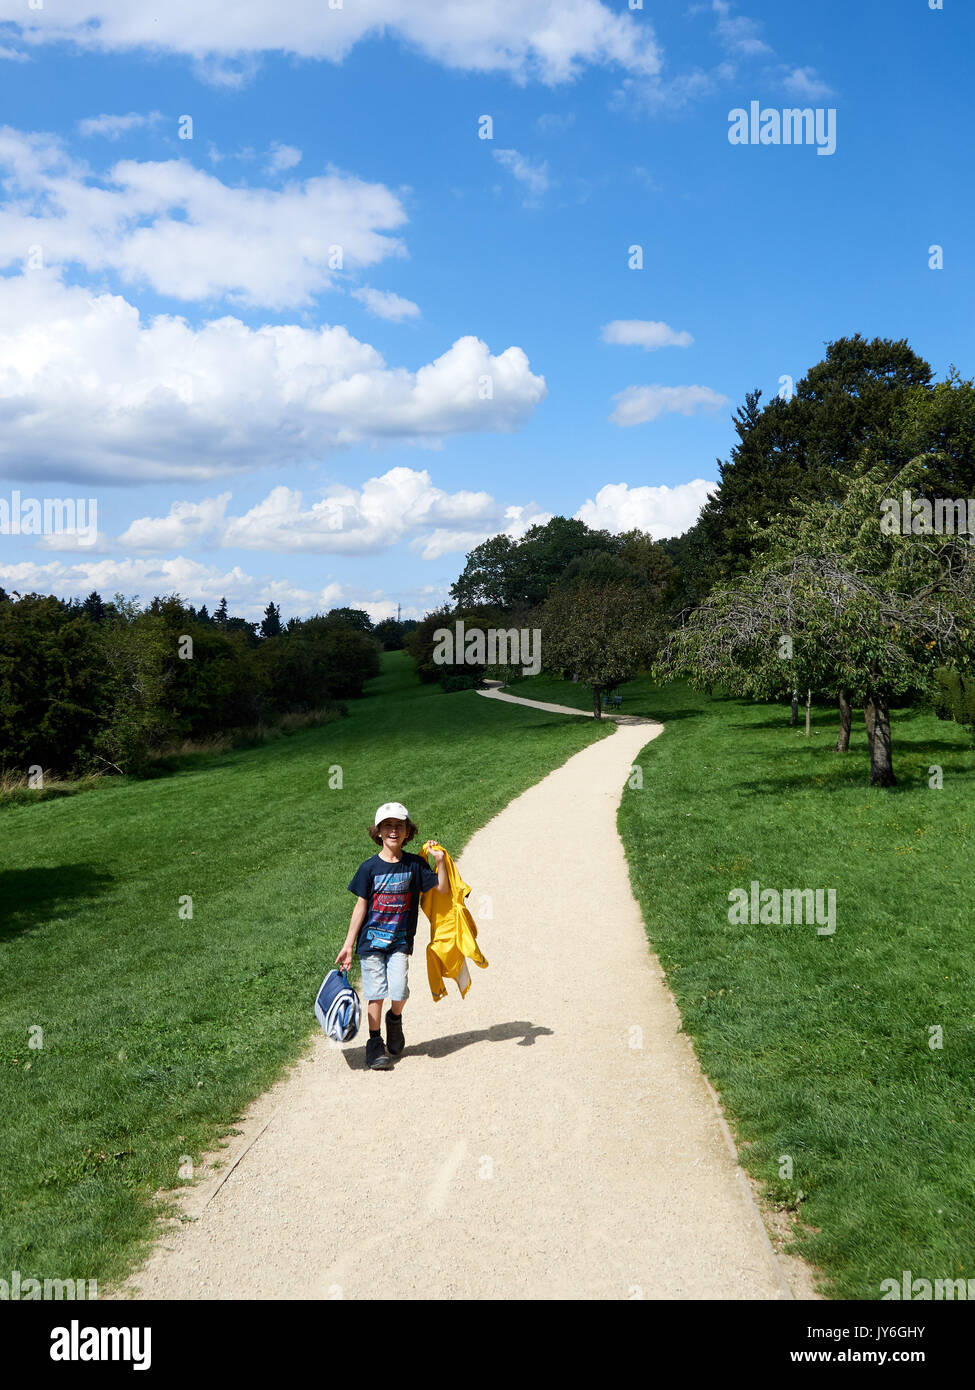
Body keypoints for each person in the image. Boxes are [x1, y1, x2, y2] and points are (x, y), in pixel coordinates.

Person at [337, 802, 447, 1070]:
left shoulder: (415, 865)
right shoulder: (369, 868)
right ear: (378, 832)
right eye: (388, 826)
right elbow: (361, 906)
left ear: (408, 831)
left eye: (399, 825)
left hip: (399, 943)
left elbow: (442, 890)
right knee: (375, 992)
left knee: (399, 990)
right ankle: (375, 1045)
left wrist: (440, 862)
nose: (394, 831)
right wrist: (348, 944)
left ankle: (394, 1021)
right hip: (371, 942)